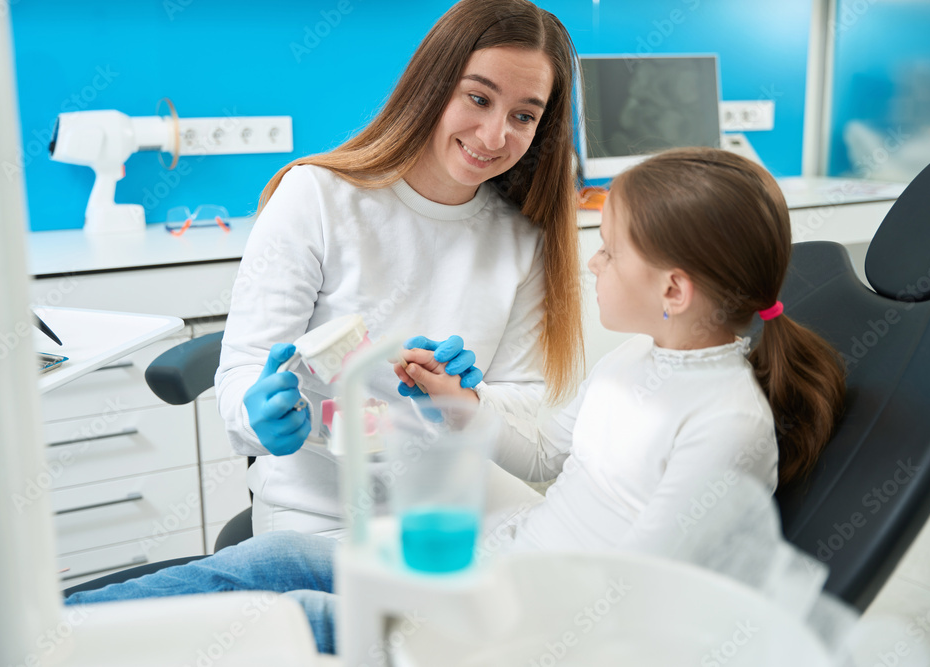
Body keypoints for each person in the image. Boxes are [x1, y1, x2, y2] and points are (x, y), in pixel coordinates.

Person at [66, 147, 847, 654]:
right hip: (499, 568)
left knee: (291, 619)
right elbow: (547, 454)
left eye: (610, 249)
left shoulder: (728, 425)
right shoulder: (638, 361)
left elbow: (630, 597)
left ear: (673, 288)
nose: (594, 263)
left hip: (523, 629)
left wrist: (462, 601)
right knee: (272, 559)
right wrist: (458, 404)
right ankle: (46, 631)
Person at [219, 0, 584, 537]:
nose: (492, 135)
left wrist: (468, 400)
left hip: (452, 508)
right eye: (478, 98)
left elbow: (527, 405)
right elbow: (242, 372)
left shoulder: (522, 239)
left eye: (523, 116)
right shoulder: (317, 197)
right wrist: (258, 415)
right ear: (433, 86)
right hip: (324, 516)